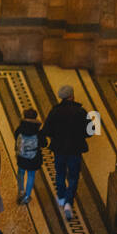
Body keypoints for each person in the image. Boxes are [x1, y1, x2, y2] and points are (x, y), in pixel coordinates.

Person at [41, 84, 90, 220]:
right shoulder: (81, 112)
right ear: (72, 96)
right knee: (73, 177)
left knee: (60, 173)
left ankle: (61, 197)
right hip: (75, 150)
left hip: (59, 150)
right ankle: (69, 202)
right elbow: (89, 133)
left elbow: (47, 130)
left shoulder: (55, 111)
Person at [13, 107, 46, 204]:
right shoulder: (38, 132)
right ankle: (27, 196)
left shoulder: (20, 129)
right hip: (34, 158)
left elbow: (16, 137)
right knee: (31, 175)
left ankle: (20, 191)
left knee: (21, 173)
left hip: (22, 157)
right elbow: (44, 143)